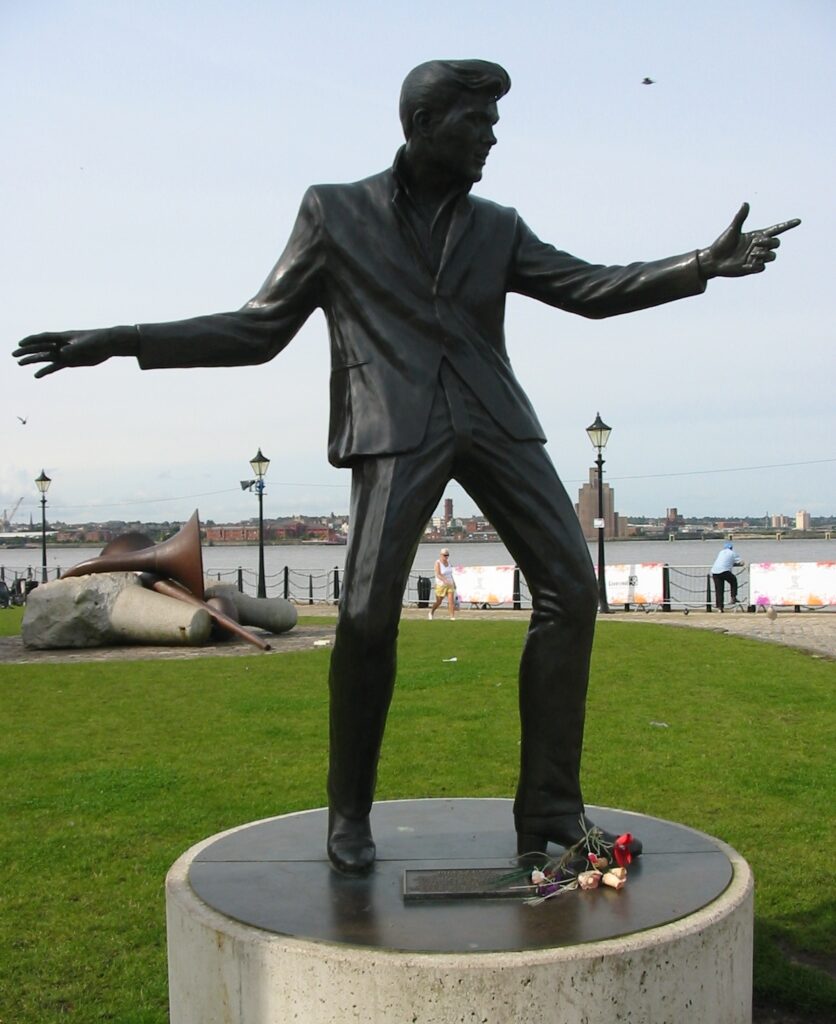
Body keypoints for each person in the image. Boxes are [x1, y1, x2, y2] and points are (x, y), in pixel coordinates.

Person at [13, 60, 799, 875]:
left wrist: (700, 265)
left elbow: (589, 289)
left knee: (572, 589)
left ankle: (551, 811)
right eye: (478, 121)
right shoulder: (335, 212)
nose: (493, 135)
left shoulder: (498, 226)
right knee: (362, 618)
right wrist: (125, 339)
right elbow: (258, 329)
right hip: (394, 427)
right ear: (424, 126)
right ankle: (347, 812)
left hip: (495, 420)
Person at [711, 542, 744, 611]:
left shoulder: (721, 552)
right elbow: (741, 562)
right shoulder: (732, 553)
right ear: (731, 548)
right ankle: (733, 597)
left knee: (719, 590)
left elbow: (723, 561)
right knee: (733, 581)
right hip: (724, 571)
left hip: (714, 571)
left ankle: (720, 608)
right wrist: (735, 564)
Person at [429, 548, 456, 620]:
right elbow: (438, 574)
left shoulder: (449, 563)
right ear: (441, 555)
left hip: (450, 584)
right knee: (439, 601)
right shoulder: (437, 563)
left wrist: (454, 582)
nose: (446, 557)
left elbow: (451, 574)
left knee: (451, 601)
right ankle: (431, 612)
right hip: (441, 584)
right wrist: (444, 580)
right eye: (445, 555)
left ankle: (452, 617)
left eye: (447, 555)